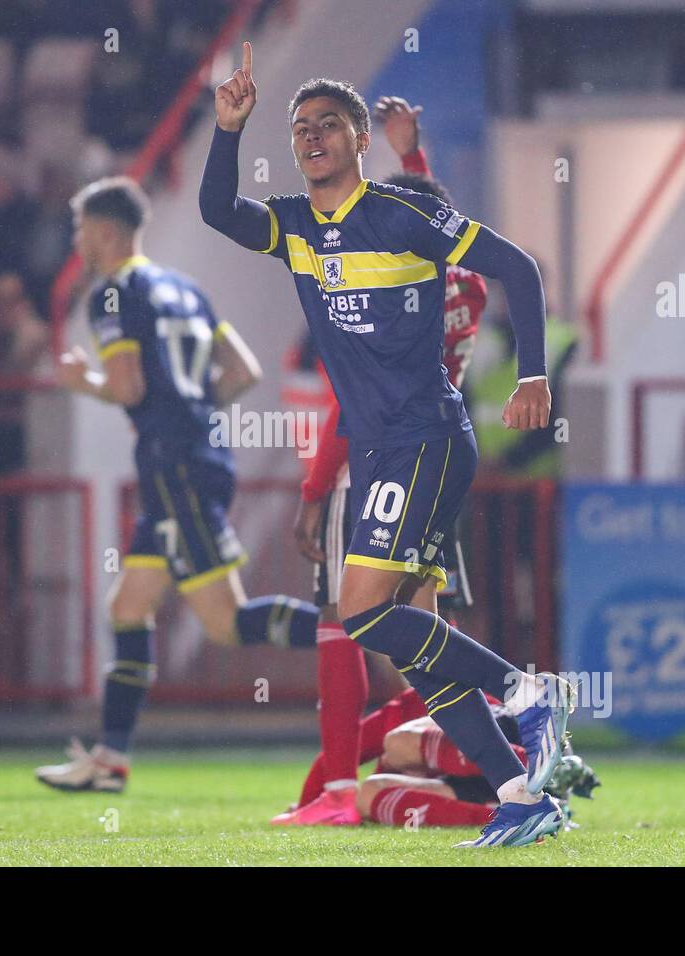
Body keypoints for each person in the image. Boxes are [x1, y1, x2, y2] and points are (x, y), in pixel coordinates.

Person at [200, 43, 572, 848]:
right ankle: (520, 793)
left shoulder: (402, 216)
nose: (310, 137)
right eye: (300, 127)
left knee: (365, 613)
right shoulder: (296, 227)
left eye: (329, 124)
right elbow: (216, 213)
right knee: (410, 640)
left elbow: (518, 269)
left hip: (426, 440)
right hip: (377, 454)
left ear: (359, 140)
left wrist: (533, 376)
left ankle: (525, 693)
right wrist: (227, 130)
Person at [35, 177, 321, 793]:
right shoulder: (184, 289)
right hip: (196, 455)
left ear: (106, 231)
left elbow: (131, 389)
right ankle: (110, 759)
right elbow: (242, 371)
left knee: (226, 623)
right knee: (128, 607)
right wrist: (192, 411)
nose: (77, 239)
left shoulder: (112, 295)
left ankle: (356, 627)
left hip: (175, 465)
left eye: (81, 228)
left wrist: (83, 381)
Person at [277, 95, 488, 826]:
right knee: (425, 633)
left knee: (343, 617)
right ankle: (502, 769)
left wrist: (311, 487)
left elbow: (350, 397)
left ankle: (337, 783)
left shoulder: (384, 284)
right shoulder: (470, 290)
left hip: (374, 465)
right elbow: (437, 227)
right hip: (440, 460)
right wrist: (414, 157)